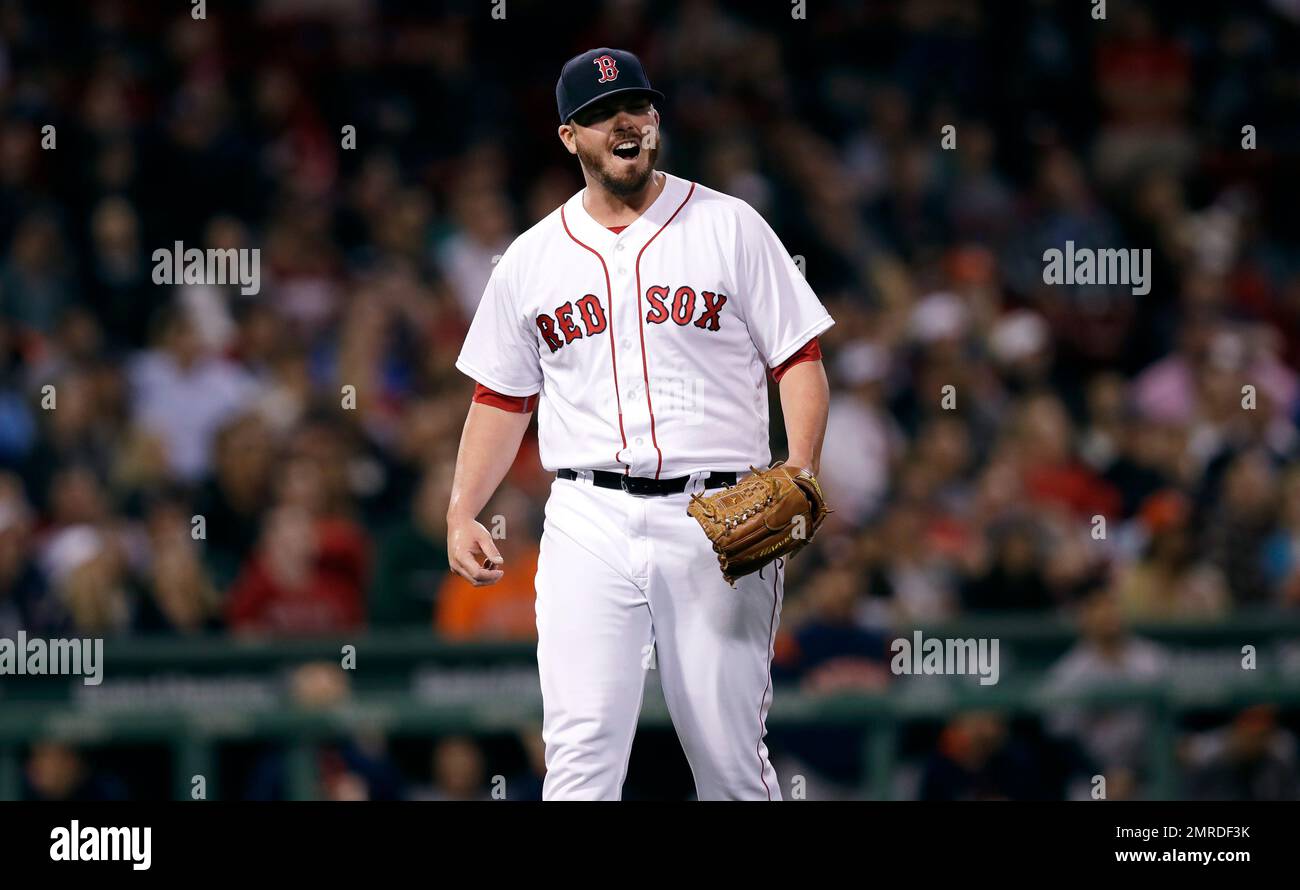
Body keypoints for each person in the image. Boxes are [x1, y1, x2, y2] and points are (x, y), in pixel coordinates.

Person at [446, 48, 833, 800]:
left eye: (636, 106)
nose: (623, 122)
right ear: (570, 137)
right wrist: (462, 508)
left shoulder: (730, 225)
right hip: (587, 513)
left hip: (717, 511)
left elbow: (799, 357)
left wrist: (802, 467)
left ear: (653, 120)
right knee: (580, 762)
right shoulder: (530, 259)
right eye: (599, 114)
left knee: (726, 760)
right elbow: (500, 399)